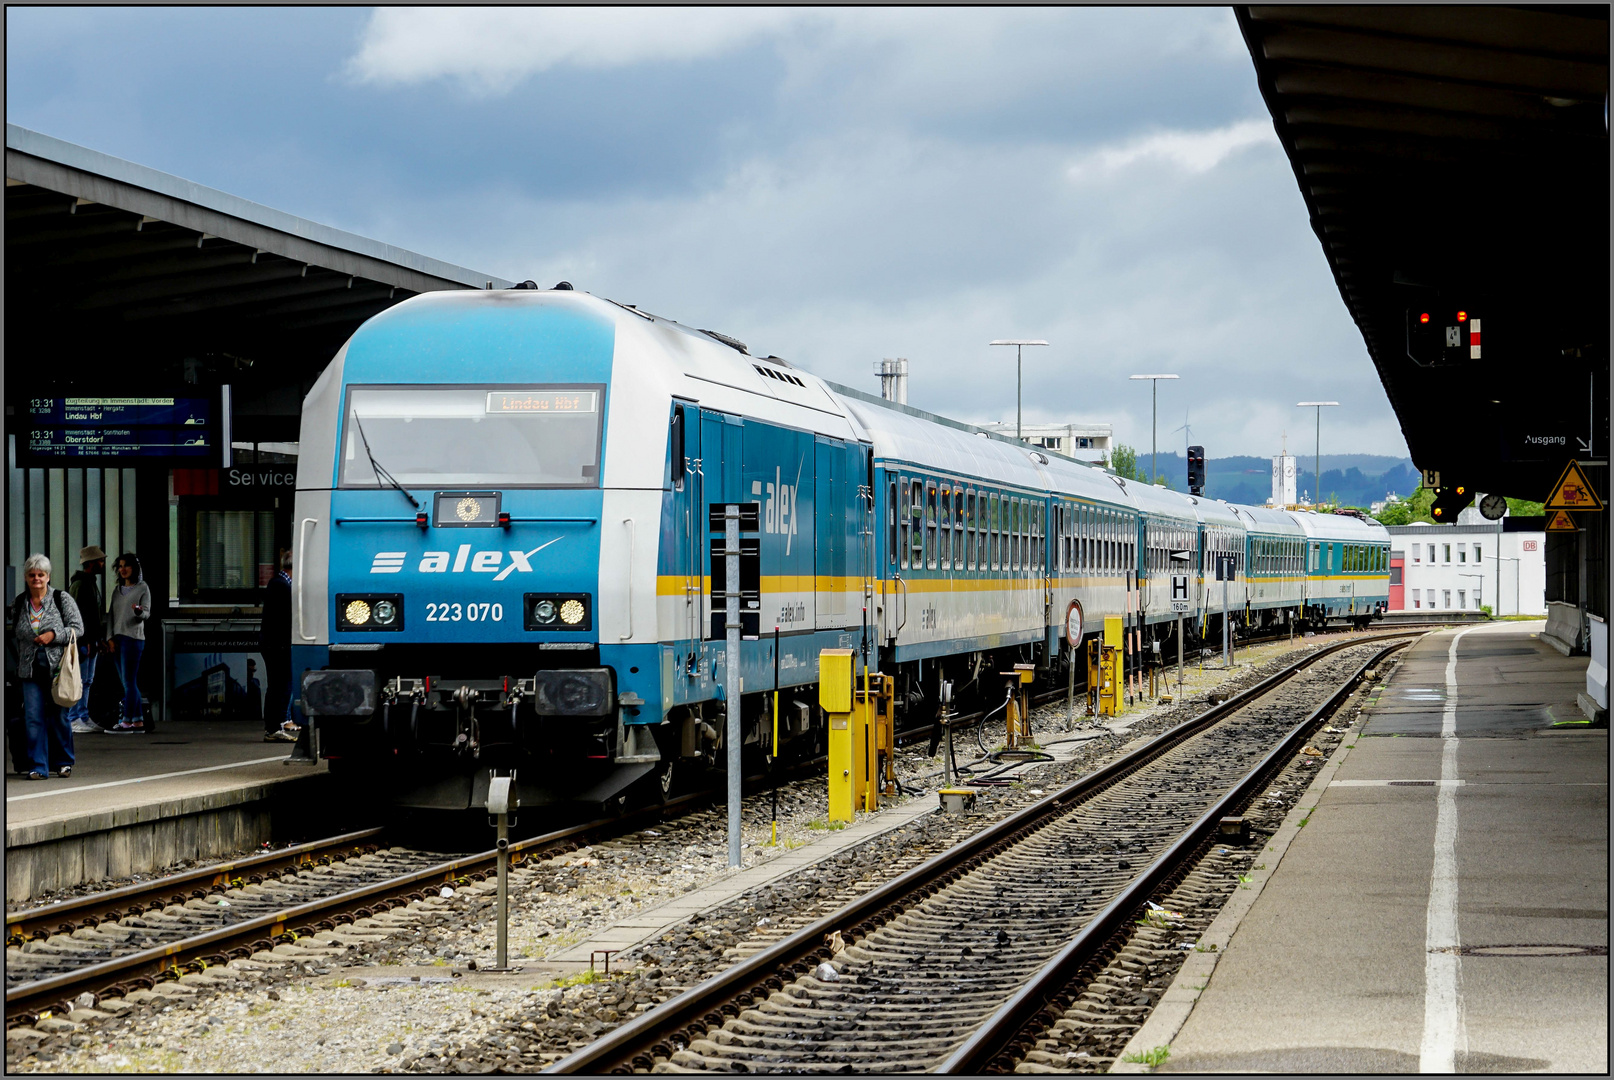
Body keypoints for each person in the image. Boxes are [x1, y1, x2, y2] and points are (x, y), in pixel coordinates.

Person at [11, 553, 84, 779]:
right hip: (29, 670)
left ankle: (63, 761)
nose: (36, 579)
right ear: (26, 577)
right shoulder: (20, 602)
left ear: (48, 576)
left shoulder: (62, 599)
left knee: (59, 716)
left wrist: (53, 635)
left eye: (40, 575)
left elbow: (78, 629)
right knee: (33, 718)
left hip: (57, 669)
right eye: (32, 575)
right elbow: (16, 631)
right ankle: (38, 766)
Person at [107, 552, 152, 733]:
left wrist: (139, 612)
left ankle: (126, 721)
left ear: (134, 568)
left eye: (126, 565)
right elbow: (111, 615)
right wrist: (109, 637)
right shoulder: (117, 591)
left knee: (128, 681)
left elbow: (147, 613)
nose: (122, 569)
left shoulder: (142, 588)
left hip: (133, 638)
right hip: (117, 639)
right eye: (120, 566)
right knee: (128, 682)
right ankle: (138, 720)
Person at [66, 545, 107, 735]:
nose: (102, 563)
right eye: (99, 560)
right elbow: (80, 615)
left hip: (88, 640)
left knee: (86, 680)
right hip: (83, 641)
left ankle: (81, 715)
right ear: (91, 563)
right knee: (81, 680)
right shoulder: (82, 585)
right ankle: (75, 717)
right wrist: (89, 640)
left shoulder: (87, 583)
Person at [261, 550, 299, 742]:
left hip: (274, 644)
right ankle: (273, 727)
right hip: (277, 645)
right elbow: (285, 619)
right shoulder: (281, 586)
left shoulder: (278, 583)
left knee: (278, 685)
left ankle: (274, 726)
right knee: (278, 686)